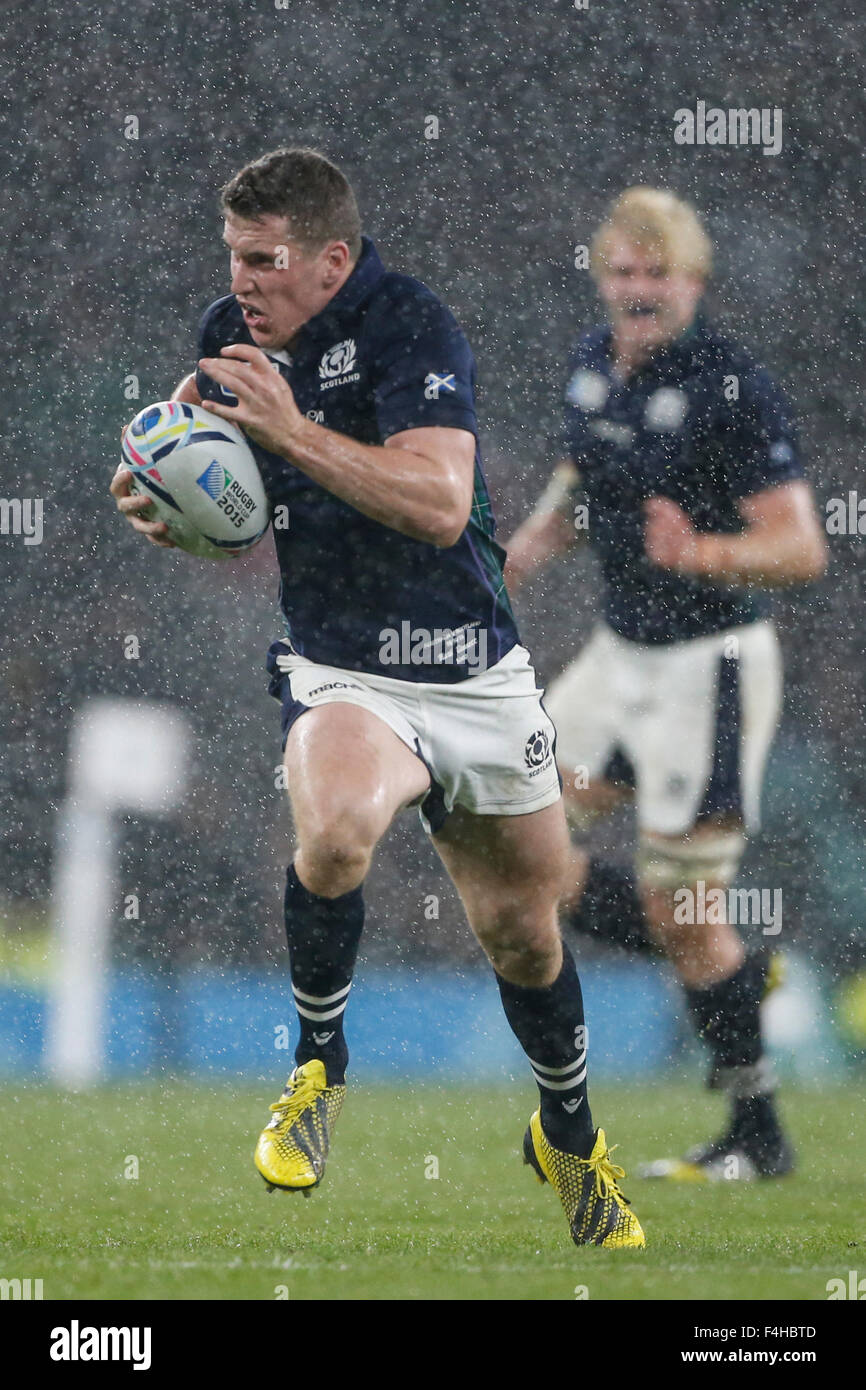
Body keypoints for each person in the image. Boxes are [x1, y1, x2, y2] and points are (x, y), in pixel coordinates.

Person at [111, 147, 645, 1248]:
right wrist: (162, 498)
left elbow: (442, 504)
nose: (243, 281)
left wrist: (289, 432)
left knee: (523, 934)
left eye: (264, 261)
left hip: (475, 672)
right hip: (345, 666)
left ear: (331, 261)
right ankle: (315, 1074)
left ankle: (571, 1139)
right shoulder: (234, 336)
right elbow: (198, 464)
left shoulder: (410, 325)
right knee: (338, 827)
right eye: (234, 258)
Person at [506, 187, 826, 1180]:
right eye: (623, 272)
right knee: (512, 842)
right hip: (616, 655)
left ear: (692, 283)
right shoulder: (590, 364)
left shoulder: (733, 385)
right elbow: (578, 479)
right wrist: (515, 554)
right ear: (602, 277)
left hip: (709, 669)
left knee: (680, 913)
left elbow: (801, 548)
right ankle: (731, 972)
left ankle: (755, 1134)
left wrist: (701, 554)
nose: (638, 290)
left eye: (658, 274)